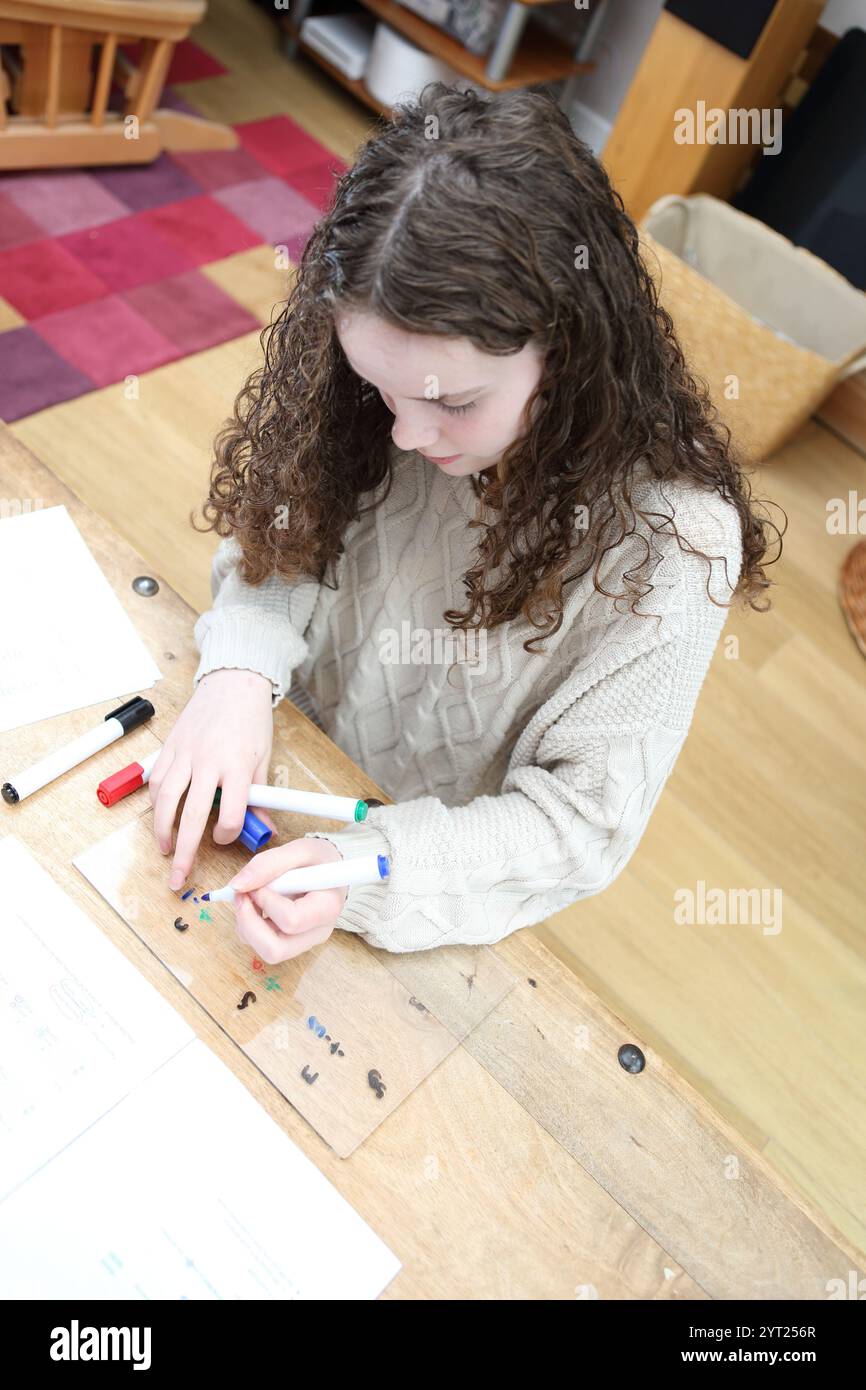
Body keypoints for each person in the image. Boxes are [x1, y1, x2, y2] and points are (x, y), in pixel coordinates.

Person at [148, 82, 778, 962]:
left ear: (569, 351)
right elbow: (284, 540)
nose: (407, 432)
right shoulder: (389, 395)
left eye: (454, 404)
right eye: (380, 390)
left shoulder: (671, 546)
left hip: (422, 882)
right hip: (282, 774)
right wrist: (239, 673)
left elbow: (577, 825)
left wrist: (369, 865)